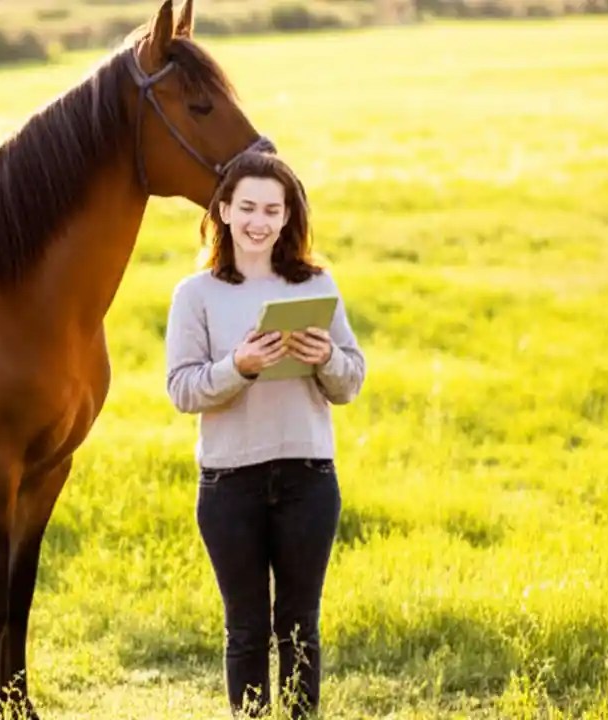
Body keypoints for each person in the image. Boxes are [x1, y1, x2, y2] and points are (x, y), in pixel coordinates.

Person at [164, 151, 366, 718]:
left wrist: (326, 357)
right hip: (229, 485)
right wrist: (240, 366)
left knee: (300, 626)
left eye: (272, 210)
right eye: (247, 207)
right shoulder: (195, 295)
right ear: (223, 211)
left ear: (287, 217)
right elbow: (182, 390)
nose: (259, 221)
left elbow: (349, 383)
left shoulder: (316, 286)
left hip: (308, 479)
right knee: (246, 629)